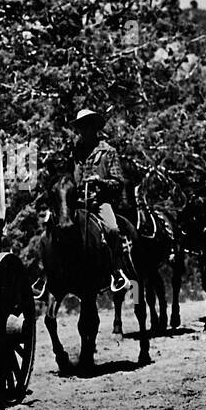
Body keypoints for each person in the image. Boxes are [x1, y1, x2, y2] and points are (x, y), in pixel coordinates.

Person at [71, 108, 130, 292]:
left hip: (99, 203)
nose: (84, 131)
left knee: (112, 229)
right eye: (81, 127)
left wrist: (100, 182)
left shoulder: (108, 151)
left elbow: (119, 182)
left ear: (95, 128)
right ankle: (47, 277)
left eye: (88, 127)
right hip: (77, 203)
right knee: (55, 226)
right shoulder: (75, 152)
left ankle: (117, 272)